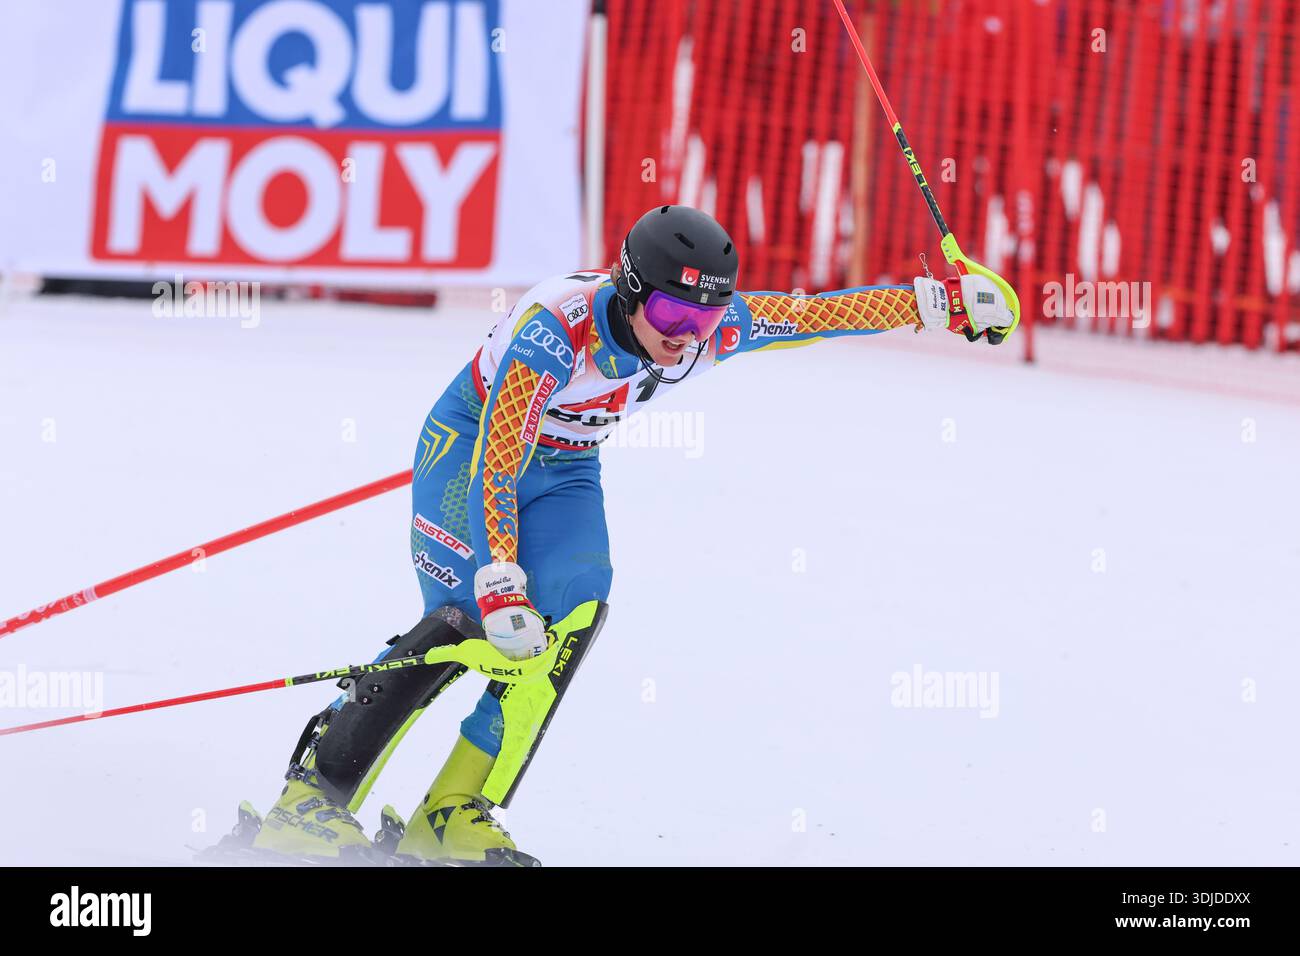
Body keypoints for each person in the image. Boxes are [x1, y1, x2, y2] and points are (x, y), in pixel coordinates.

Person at [244, 204, 1015, 866]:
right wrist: (502, 577)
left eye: (707, 321)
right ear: (630, 290)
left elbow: (807, 316)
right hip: (474, 449)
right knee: (471, 621)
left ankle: (448, 812)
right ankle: (307, 802)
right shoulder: (556, 332)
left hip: (569, 466)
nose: (690, 338)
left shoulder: (701, 331)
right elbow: (502, 453)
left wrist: (938, 303)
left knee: (576, 606)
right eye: (676, 319)